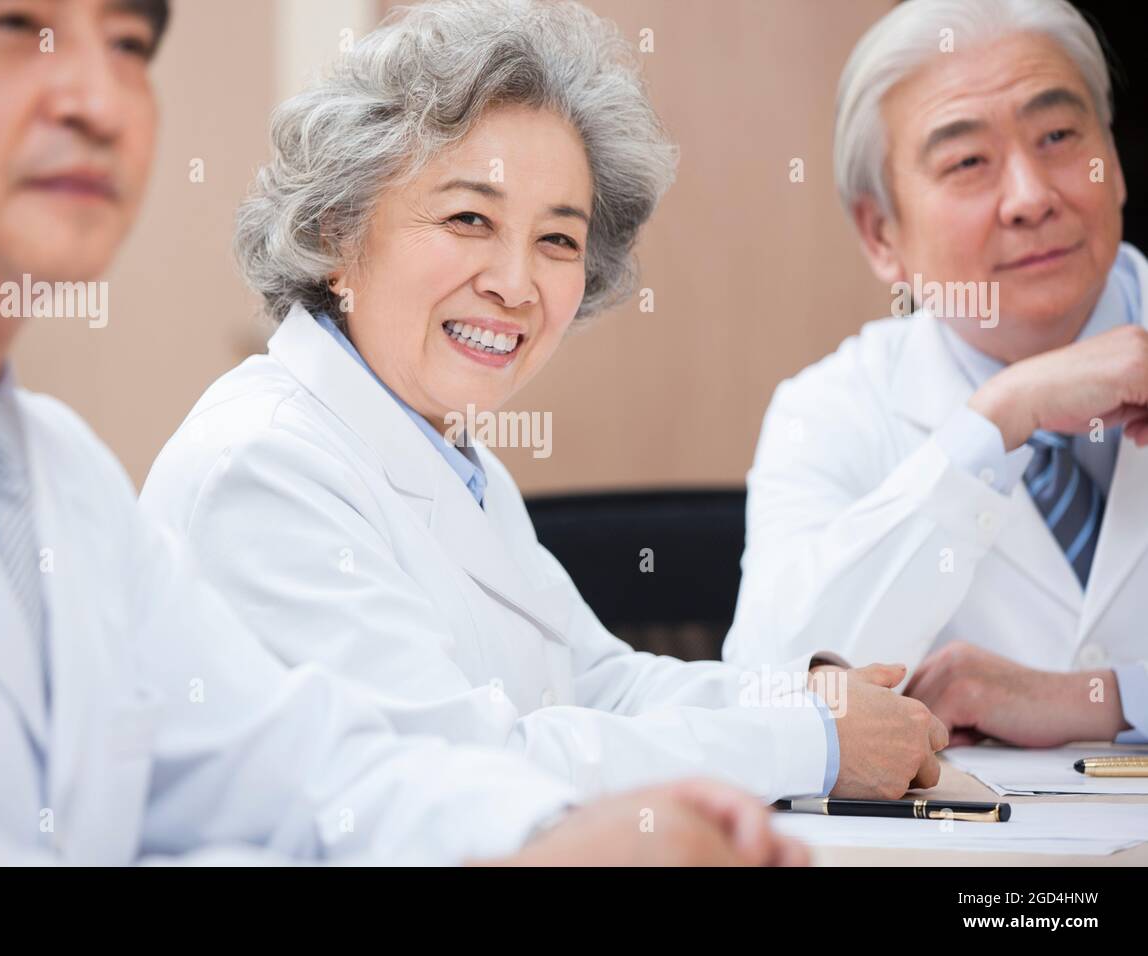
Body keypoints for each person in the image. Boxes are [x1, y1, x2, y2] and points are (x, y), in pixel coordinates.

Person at [0, 0, 801, 866]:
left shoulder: (57, 475)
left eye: (131, 43)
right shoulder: (257, 460)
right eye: (19, 26)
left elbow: (303, 766)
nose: (101, 99)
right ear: (342, 231)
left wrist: (532, 838)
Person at [141, 0, 947, 803]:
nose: (516, 283)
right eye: (468, 218)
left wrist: (806, 703)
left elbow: (600, 687)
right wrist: (808, 747)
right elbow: (459, 774)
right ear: (337, 231)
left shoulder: (444, 451)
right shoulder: (264, 465)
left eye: (557, 239)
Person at [722, 0, 1147, 749]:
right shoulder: (828, 410)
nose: (1030, 197)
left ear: (1109, 164)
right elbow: (764, 698)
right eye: (968, 163)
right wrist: (998, 420)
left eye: (1058, 136)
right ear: (881, 235)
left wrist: (1105, 701)